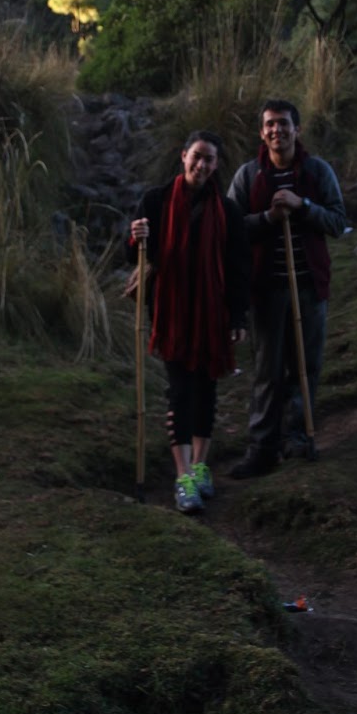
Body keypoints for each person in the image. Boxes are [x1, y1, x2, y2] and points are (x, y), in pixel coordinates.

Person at [128, 130, 249, 513]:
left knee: (206, 391)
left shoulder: (228, 211)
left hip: (213, 314)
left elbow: (237, 267)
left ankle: (200, 468)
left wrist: (237, 315)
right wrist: (137, 238)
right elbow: (133, 256)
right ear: (183, 156)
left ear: (216, 166)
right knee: (180, 392)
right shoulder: (156, 200)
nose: (202, 165)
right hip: (174, 314)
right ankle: (183, 476)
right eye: (197, 156)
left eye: (209, 160)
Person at [226, 99, 346, 478]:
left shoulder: (316, 171)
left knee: (305, 366)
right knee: (267, 369)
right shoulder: (249, 176)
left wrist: (303, 205)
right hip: (265, 288)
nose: (277, 130)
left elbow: (339, 222)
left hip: (309, 286)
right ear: (262, 133)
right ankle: (262, 447)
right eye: (270, 125)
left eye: (284, 124)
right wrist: (269, 218)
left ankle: (298, 437)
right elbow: (231, 228)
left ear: (297, 130)